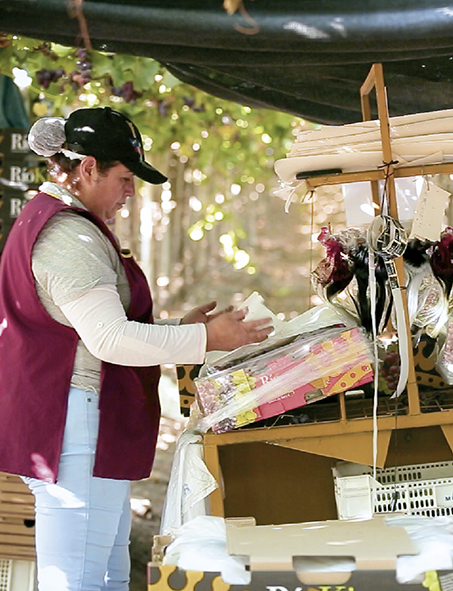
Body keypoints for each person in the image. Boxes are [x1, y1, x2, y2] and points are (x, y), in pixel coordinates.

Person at [0, 107, 273, 591]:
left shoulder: (63, 222)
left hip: (74, 420)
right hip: (72, 424)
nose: (131, 192)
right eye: (125, 178)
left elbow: (94, 326)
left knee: (106, 574)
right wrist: (206, 340)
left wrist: (180, 329)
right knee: (80, 580)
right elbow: (110, 339)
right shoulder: (67, 236)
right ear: (88, 169)